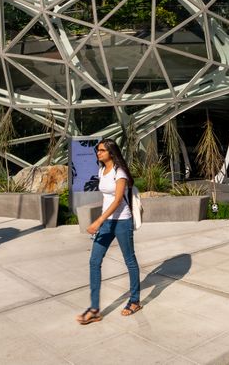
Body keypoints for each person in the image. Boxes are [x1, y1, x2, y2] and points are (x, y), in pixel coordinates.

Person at [77, 139, 141, 325]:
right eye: (98, 150)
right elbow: (107, 198)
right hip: (106, 223)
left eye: (102, 150)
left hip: (122, 222)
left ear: (111, 153)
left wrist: (98, 221)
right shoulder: (102, 170)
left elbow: (118, 200)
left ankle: (135, 300)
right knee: (94, 261)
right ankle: (94, 310)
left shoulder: (119, 172)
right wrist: (102, 221)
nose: (98, 153)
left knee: (129, 260)